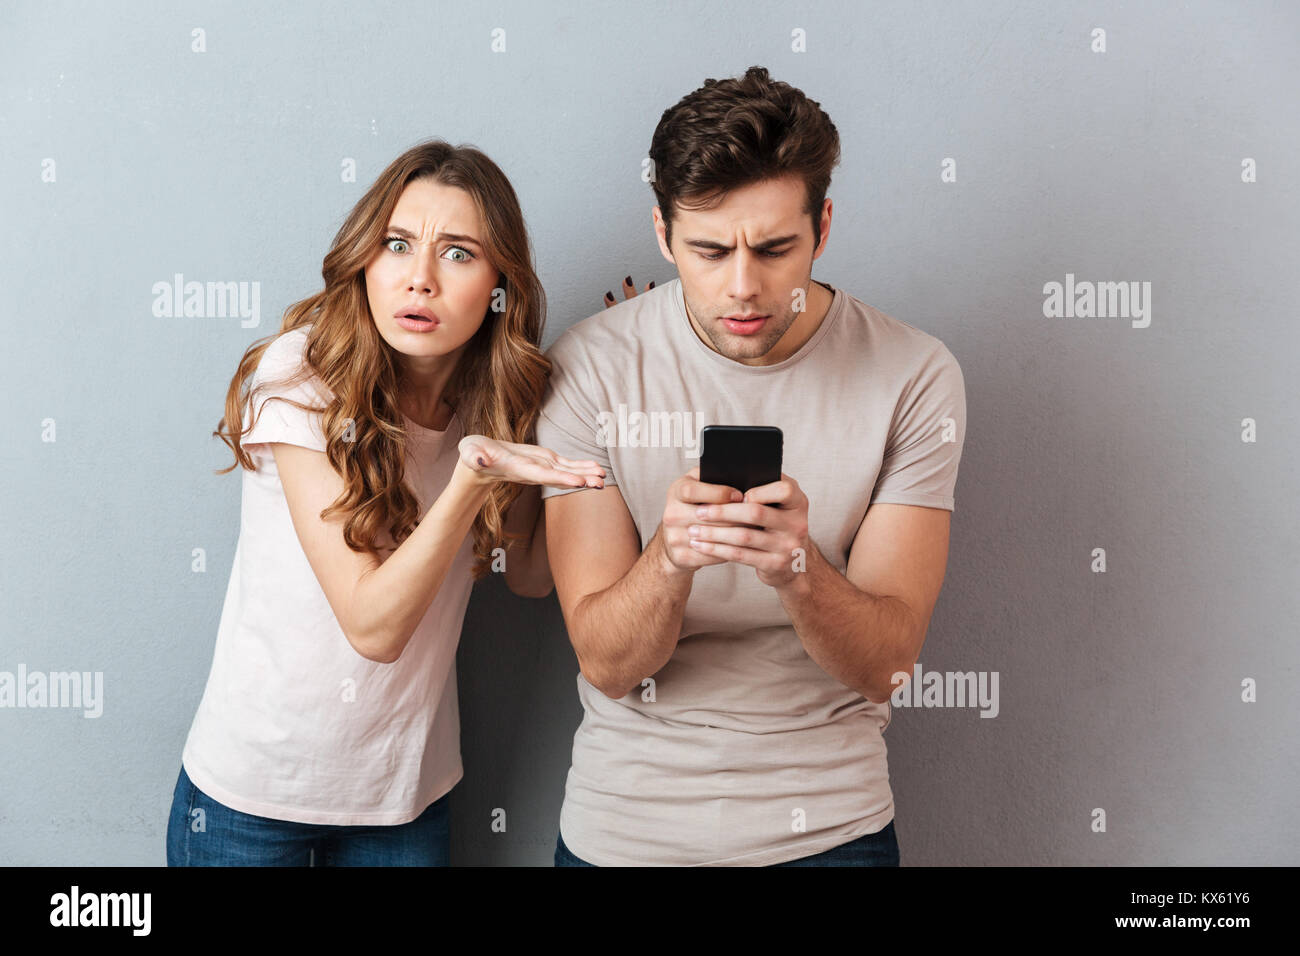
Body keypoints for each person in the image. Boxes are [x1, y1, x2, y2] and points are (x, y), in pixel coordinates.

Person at [538, 66, 967, 866]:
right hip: (627, 831)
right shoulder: (590, 367)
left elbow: (887, 668)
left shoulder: (914, 374)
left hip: (832, 832)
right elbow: (606, 661)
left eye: (775, 249)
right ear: (663, 235)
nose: (743, 287)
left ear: (824, 227)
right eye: (708, 250)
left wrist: (798, 570)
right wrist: (670, 559)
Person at [166, 140, 605, 866]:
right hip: (252, 800)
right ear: (366, 259)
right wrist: (472, 479)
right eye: (397, 245)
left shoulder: (494, 405)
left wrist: (592, 398)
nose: (419, 280)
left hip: (404, 801)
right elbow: (373, 627)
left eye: (459, 253)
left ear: (502, 282)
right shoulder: (303, 375)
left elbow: (528, 575)